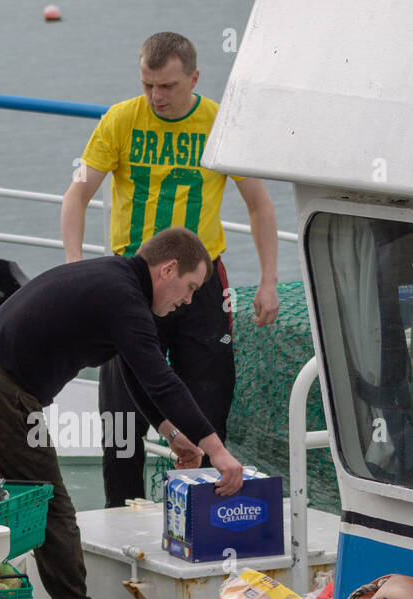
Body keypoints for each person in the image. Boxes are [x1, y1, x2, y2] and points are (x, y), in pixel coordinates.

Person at [0, 227, 245, 599]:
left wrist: (169, 432)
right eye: (189, 287)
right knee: (49, 508)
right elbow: (162, 379)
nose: (187, 301)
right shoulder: (126, 299)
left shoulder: (114, 280)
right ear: (167, 270)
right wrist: (217, 451)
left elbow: (134, 372)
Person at [61, 31, 280, 507]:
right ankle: (122, 522)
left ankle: (203, 518)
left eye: (168, 86)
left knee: (208, 408)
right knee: (121, 422)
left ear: (194, 78)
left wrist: (267, 281)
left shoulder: (219, 122)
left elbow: (260, 205)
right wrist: (75, 269)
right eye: (148, 86)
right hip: (132, 284)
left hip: (199, 288)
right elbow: (77, 193)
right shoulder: (119, 121)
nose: (157, 97)